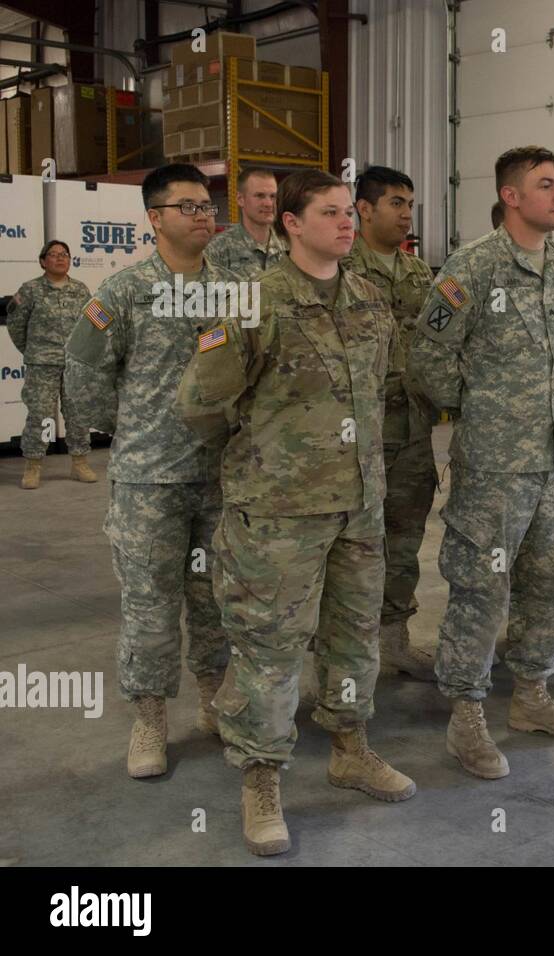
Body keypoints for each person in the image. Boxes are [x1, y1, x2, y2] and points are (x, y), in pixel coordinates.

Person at [176, 169, 415, 857]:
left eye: (348, 212)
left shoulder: (369, 299)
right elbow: (200, 403)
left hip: (357, 508)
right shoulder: (253, 303)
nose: (346, 223)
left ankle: (349, 747)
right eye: (330, 213)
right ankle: (262, 777)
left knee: (352, 637)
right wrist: (264, 459)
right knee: (269, 650)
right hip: (277, 516)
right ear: (291, 223)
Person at [404, 145, 554, 780]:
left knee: (552, 579)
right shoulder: (472, 269)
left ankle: (533, 697)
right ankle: (467, 715)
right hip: (494, 466)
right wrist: (481, 410)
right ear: (511, 196)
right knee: (480, 586)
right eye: (547, 184)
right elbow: (429, 358)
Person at [63, 164, 234, 778]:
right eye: (187, 206)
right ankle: (150, 721)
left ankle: (216, 702)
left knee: (218, 598)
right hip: (149, 481)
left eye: (208, 204)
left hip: (220, 477)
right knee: (150, 604)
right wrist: (132, 431)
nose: (202, 215)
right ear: (155, 218)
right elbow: (82, 372)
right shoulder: (125, 290)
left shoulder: (234, 288)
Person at [341, 165, 439, 677]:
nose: (406, 214)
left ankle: (394, 638)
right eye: (396, 203)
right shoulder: (338, 270)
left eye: (410, 204)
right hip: (356, 437)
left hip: (412, 433)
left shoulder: (420, 275)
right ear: (364, 208)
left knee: (404, 540)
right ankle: (346, 652)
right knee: (353, 546)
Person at [7, 239, 95, 489]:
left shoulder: (80, 290)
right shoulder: (30, 290)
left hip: (73, 364)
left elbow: (92, 323)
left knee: (77, 415)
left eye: (65, 254)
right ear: (43, 261)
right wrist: (33, 351)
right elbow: (15, 325)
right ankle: (34, 465)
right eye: (54, 255)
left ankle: (80, 463)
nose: (60, 258)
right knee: (42, 417)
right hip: (42, 365)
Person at [204, 166, 286, 279]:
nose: (268, 203)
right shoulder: (217, 250)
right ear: (240, 199)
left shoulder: (289, 245)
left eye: (273, 196)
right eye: (260, 196)